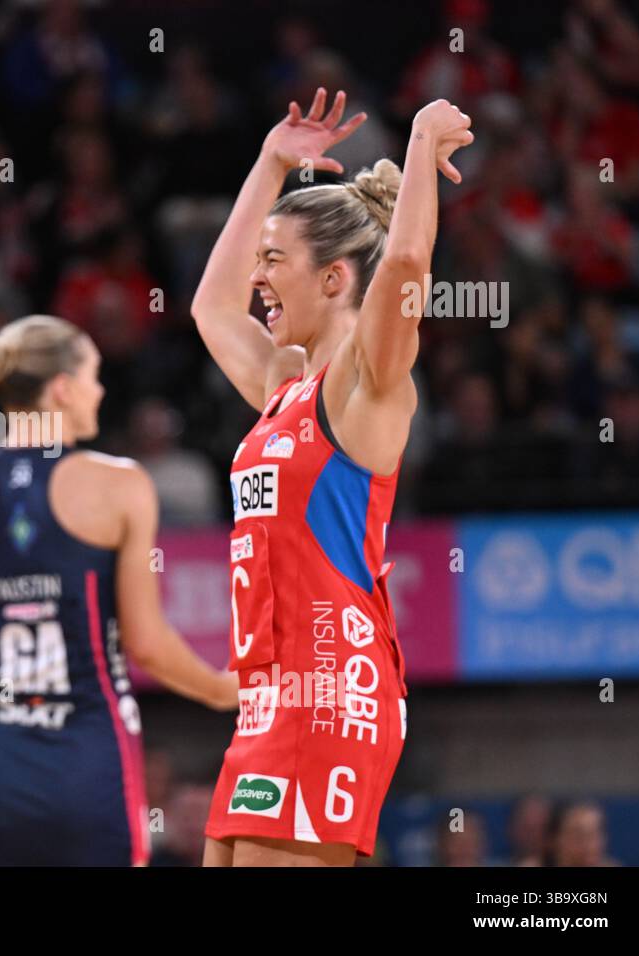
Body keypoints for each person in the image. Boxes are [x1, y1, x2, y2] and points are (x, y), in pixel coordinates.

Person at [191, 88, 474, 866]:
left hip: (332, 690)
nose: (258, 281)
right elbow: (211, 308)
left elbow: (409, 262)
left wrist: (419, 143)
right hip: (271, 694)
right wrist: (270, 164)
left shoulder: (366, 381)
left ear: (336, 279)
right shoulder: (284, 381)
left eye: (274, 262)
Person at [0, 314, 238, 866]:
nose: (100, 391)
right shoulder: (121, 484)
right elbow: (145, 642)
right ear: (60, 388)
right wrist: (222, 690)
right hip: (87, 752)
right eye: (92, 376)